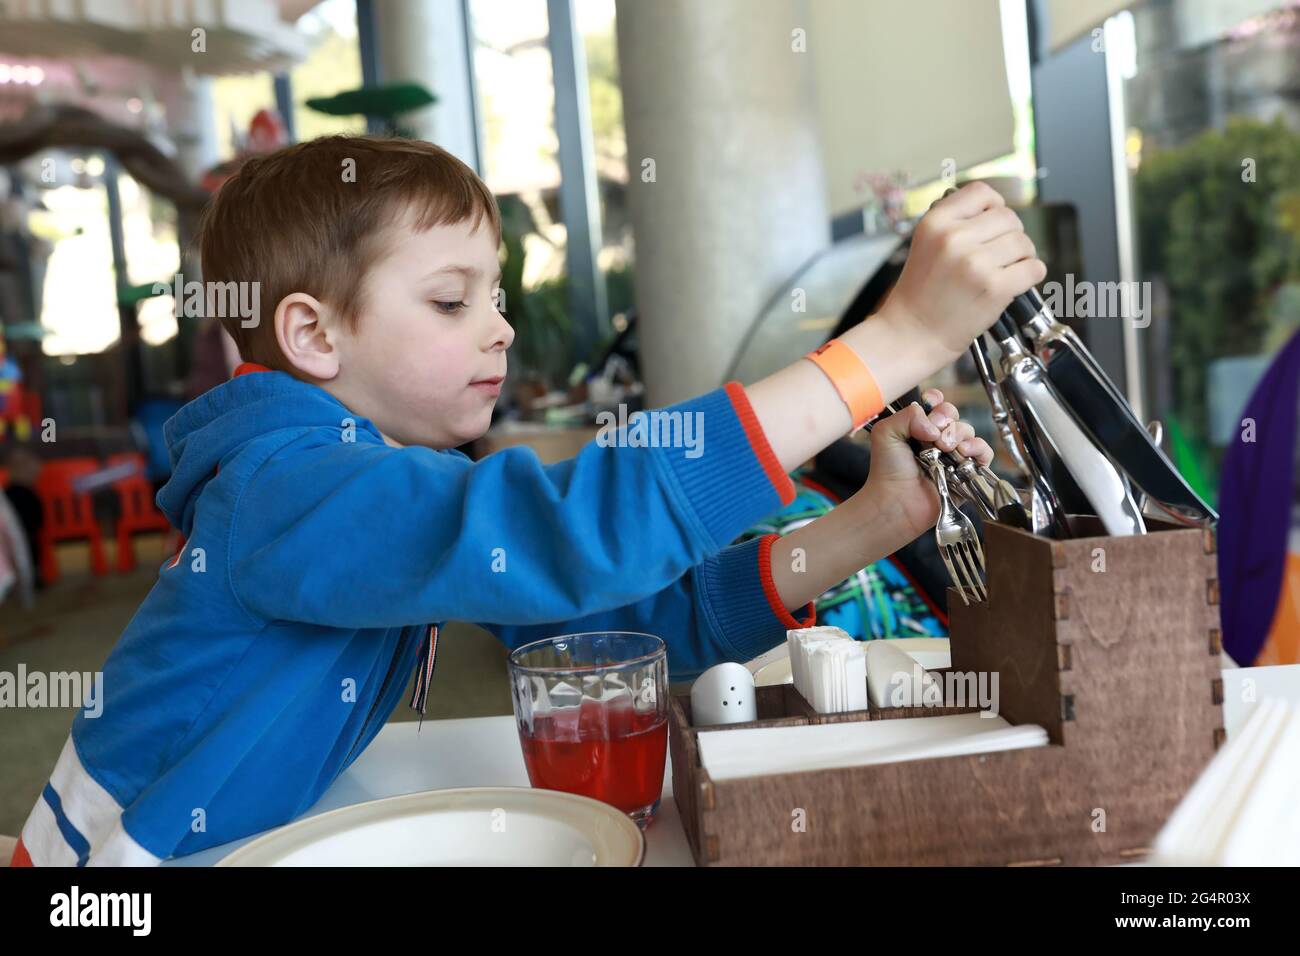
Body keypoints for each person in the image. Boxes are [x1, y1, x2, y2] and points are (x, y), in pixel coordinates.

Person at [10, 136, 1043, 866]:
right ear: (314, 336)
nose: (500, 329)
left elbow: (616, 626)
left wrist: (867, 524)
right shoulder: (287, 488)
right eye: (452, 300)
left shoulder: (379, 481)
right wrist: (889, 344)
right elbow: (573, 529)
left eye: (495, 296)